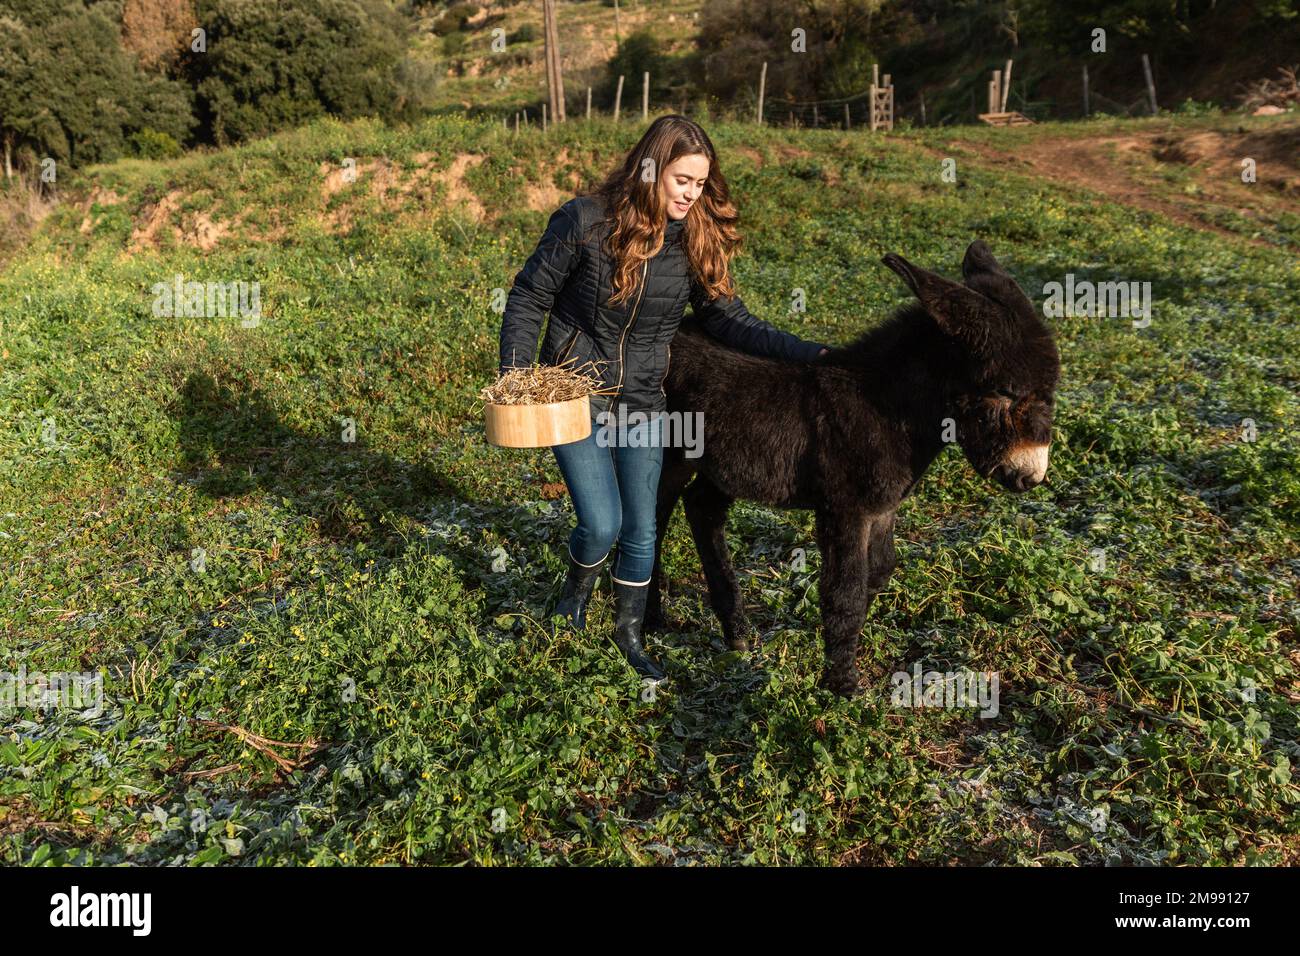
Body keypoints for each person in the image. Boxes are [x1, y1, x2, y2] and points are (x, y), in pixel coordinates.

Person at [498, 114, 830, 681]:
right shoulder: (584, 222)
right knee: (601, 524)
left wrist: (806, 352)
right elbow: (530, 296)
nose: (691, 194)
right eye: (682, 180)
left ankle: (628, 634)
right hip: (575, 394)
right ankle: (571, 603)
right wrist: (515, 377)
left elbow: (729, 320)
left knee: (643, 528)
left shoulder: (693, 242)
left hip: (644, 404)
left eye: (700, 184)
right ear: (650, 169)